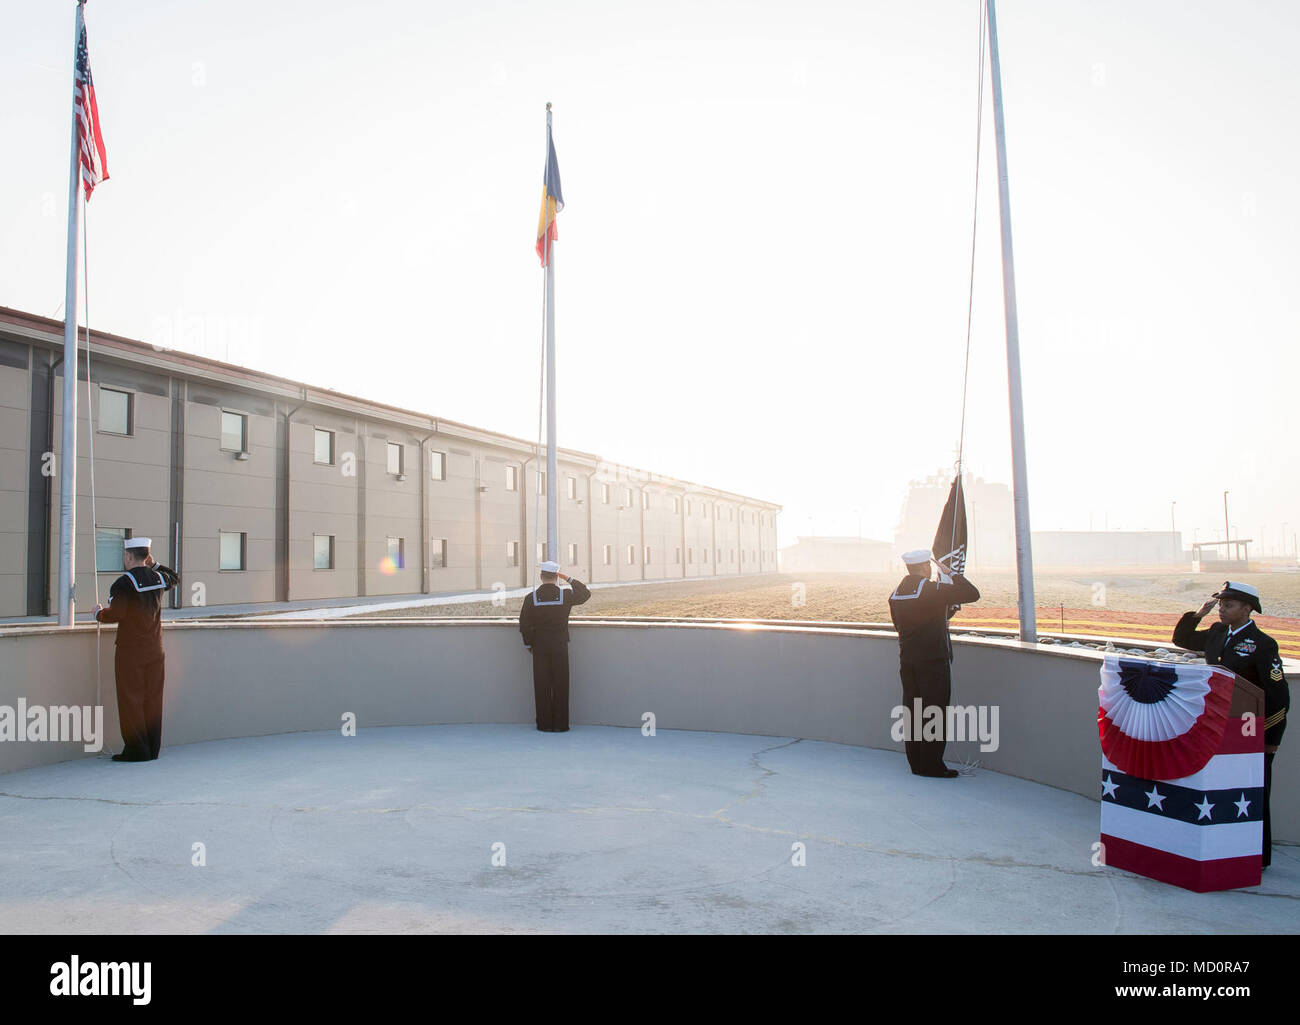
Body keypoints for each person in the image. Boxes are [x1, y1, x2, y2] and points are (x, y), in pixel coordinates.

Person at [1172, 581, 1288, 868]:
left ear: (1248, 609)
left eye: (1229, 605)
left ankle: (1258, 854)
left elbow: (1277, 694)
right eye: (1221, 604)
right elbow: (1182, 638)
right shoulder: (1216, 633)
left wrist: (1270, 737)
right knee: (1220, 787)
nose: (1222, 610)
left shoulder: (1263, 644)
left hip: (1249, 728)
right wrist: (1200, 613)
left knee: (1255, 790)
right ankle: (1224, 845)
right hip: (1217, 723)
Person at [887, 549, 981, 778]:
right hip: (932, 660)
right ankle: (931, 765)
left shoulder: (896, 593)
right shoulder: (929, 590)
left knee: (913, 710)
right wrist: (951, 573)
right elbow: (971, 593)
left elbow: (899, 626)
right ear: (924, 568)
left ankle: (916, 763)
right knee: (934, 711)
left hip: (908, 659)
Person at [92, 537, 179, 762]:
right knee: (153, 699)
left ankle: (136, 750)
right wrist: (155, 564)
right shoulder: (159, 578)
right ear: (146, 556)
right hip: (155, 649)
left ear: (129, 556)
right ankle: (152, 749)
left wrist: (98, 614)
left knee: (131, 699)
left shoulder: (122, 583)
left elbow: (116, 614)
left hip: (131, 651)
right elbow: (175, 577)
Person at [518, 560, 591, 732]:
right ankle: (561, 724)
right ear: (556, 577)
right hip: (559, 646)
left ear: (541, 576)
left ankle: (543, 724)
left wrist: (529, 644)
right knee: (561, 684)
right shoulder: (565, 596)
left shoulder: (531, 598)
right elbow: (585, 594)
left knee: (541, 684)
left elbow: (524, 624)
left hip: (540, 646)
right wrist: (568, 578)